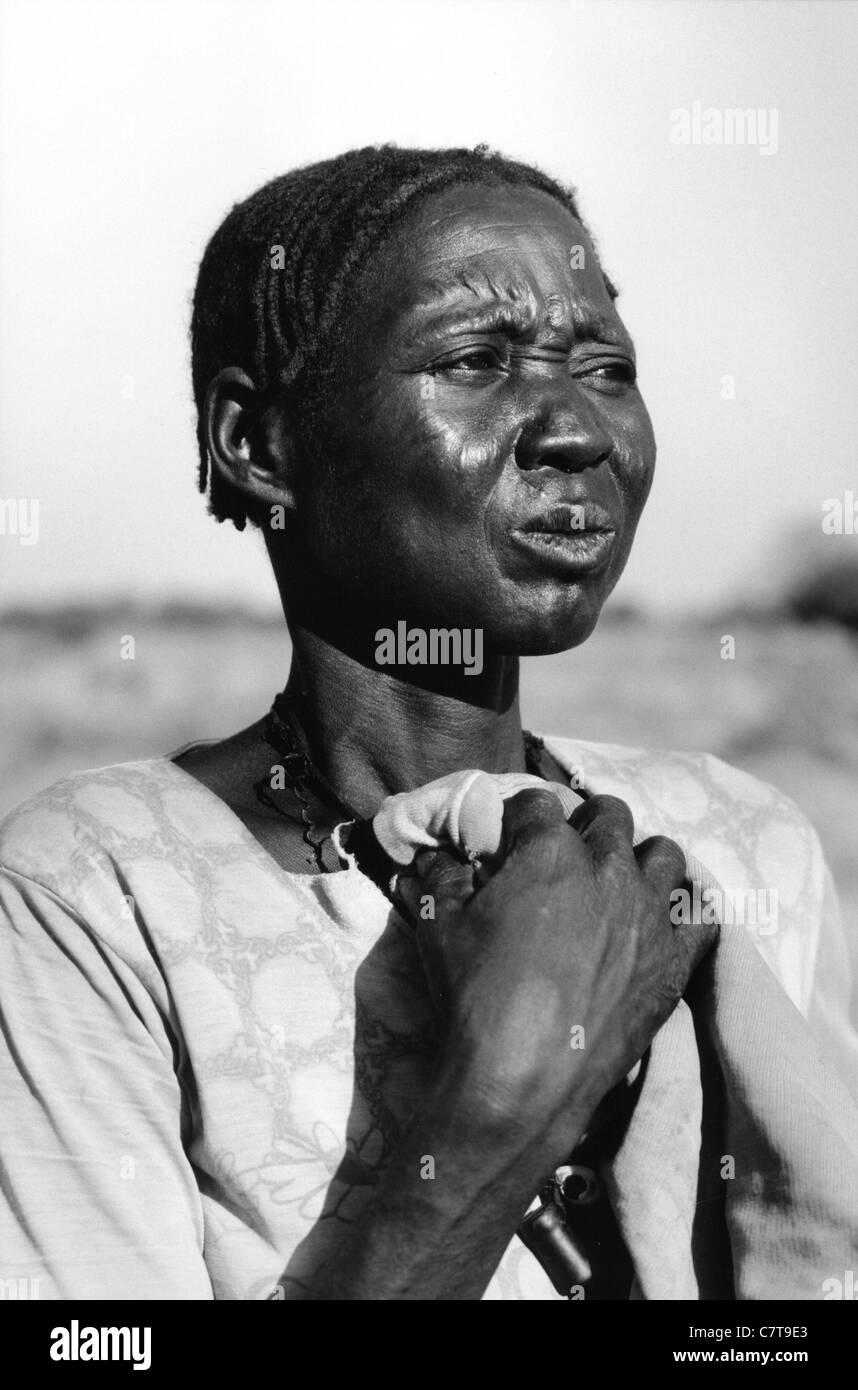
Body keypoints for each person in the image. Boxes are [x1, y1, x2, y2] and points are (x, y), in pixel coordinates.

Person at [1, 145, 856, 1301]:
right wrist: (493, 1109)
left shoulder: (742, 846)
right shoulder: (93, 896)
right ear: (257, 444)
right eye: (476, 362)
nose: (579, 430)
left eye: (607, 367)